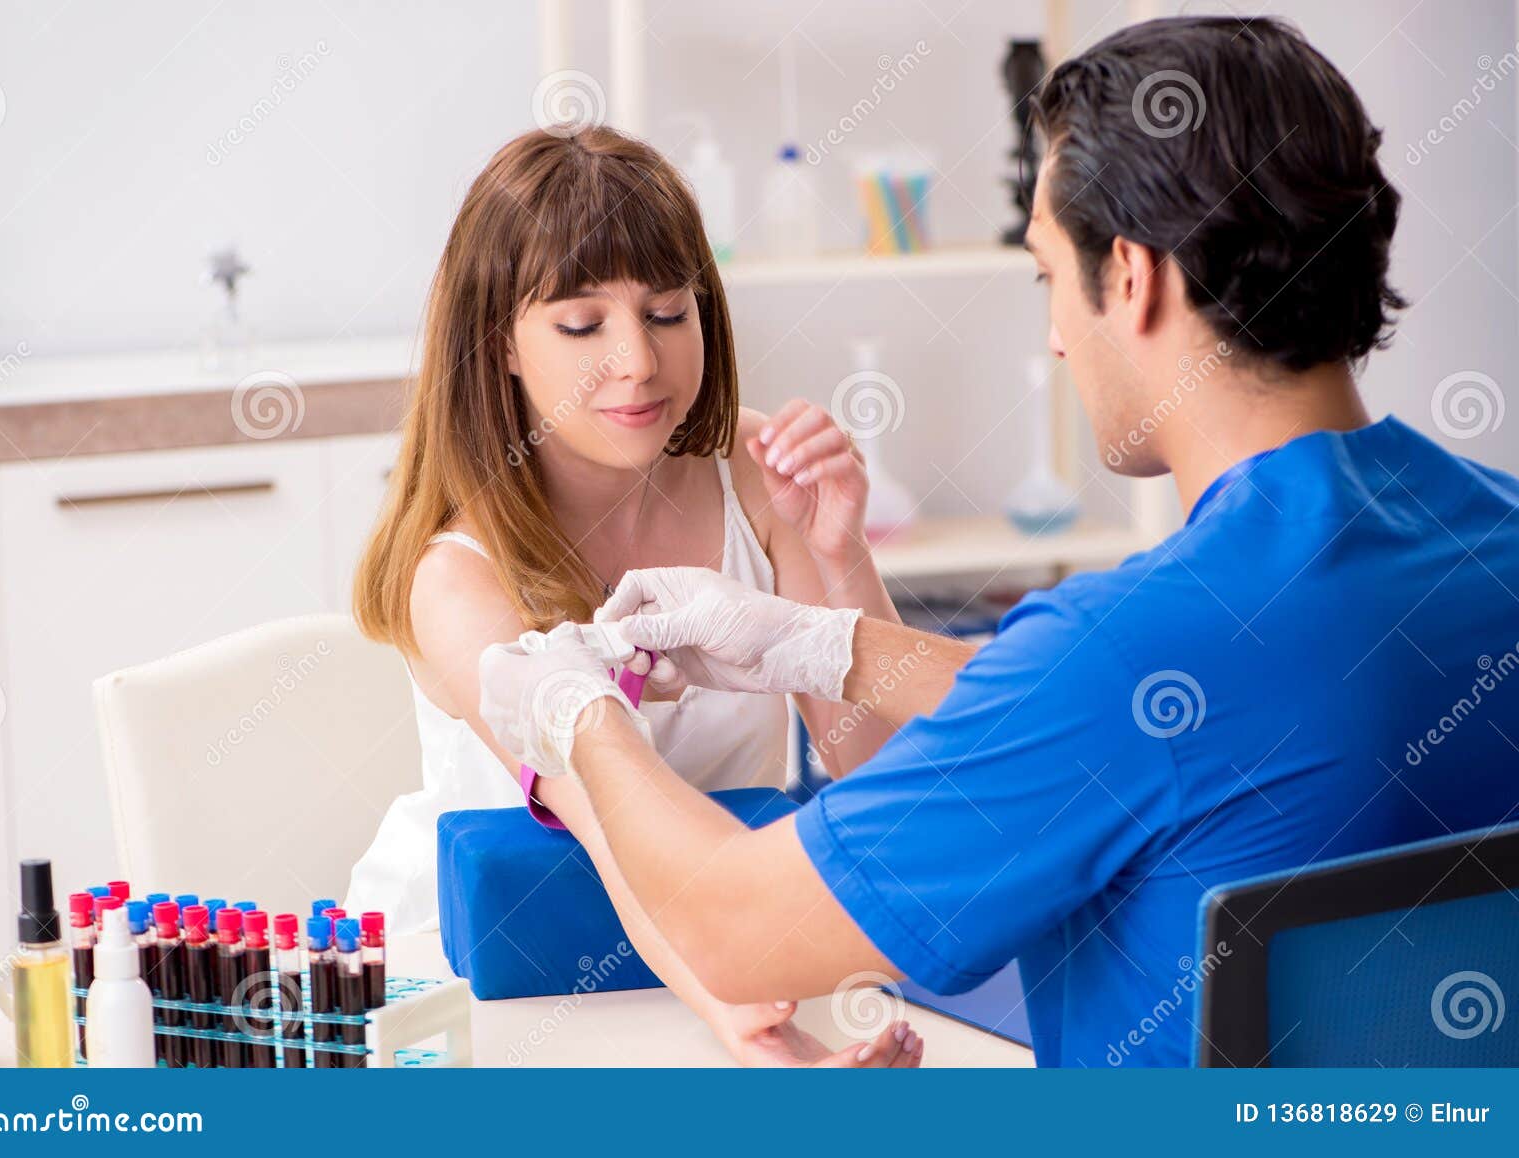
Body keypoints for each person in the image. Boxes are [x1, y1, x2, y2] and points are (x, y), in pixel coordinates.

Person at [476, 16, 1519, 1067]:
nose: (1056, 338)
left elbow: (735, 931)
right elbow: (1168, 705)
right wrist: (826, 645)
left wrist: (576, 710)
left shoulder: (1123, 647)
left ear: (1132, 277)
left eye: (1046, 277)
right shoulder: (1495, 539)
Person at [346, 125, 919, 1066]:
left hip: (724, 936)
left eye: (666, 313)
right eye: (583, 326)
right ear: (502, 346)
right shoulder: (459, 576)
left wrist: (842, 554)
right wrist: (747, 1022)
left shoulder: (755, 471)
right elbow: (609, 825)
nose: (639, 362)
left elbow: (880, 775)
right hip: (494, 980)